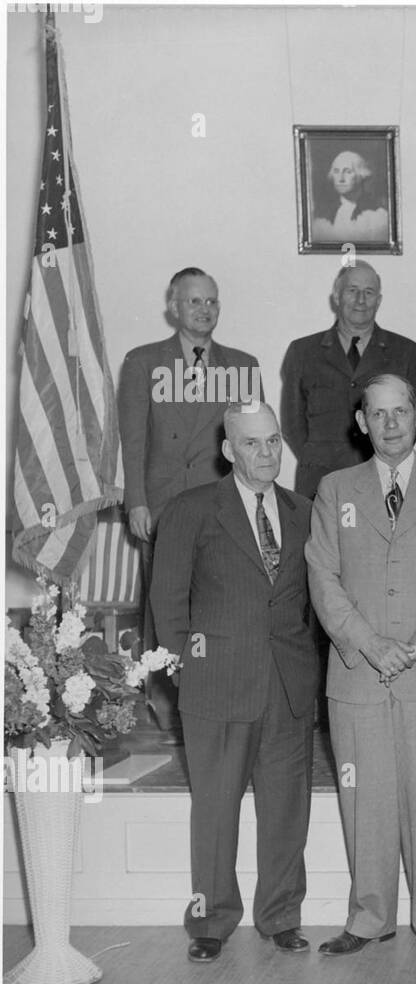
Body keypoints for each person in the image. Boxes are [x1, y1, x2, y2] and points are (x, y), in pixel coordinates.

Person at [306, 374, 416, 960]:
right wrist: (367, 642)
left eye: (399, 411)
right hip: (358, 674)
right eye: (376, 413)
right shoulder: (335, 489)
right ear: (361, 422)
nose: (388, 423)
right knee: (366, 799)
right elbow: (323, 578)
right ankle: (369, 918)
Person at [149, 402, 318, 963]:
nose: (267, 453)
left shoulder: (304, 511)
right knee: (216, 809)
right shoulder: (191, 509)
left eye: (273, 441)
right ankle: (210, 922)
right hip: (215, 684)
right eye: (252, 443)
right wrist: (182, 672)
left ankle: (281, 917)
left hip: (288, 685)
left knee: (287, 809)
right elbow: (167, 601)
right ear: (229, 450)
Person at [119, 266, 261, 735]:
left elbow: (253, 443)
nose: (204, 310)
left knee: (219, 601)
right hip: (162, 505)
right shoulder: (143, 362)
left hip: (220, 506)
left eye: (212, 302)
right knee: (165, 602)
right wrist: (137, 501)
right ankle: (163, 700)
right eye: (195, 301)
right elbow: (133, 440)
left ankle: (215, 693)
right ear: (174, 307)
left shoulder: (243, 366)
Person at [281, 262, 416, 499]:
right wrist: (318, 458)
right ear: (336, 297)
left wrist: (388, 455)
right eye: (352, 290)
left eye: (369, 292)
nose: (361, 299)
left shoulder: (406, 352)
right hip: (320, 480)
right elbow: (291, 423)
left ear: (378, 301)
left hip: (384, 478)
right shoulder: (302, 352)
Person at [311, 150, 389, 243]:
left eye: (348, 172)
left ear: (361, 175)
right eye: (336, 171)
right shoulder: (322, 214)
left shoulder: (378, 215)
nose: (341, 178)